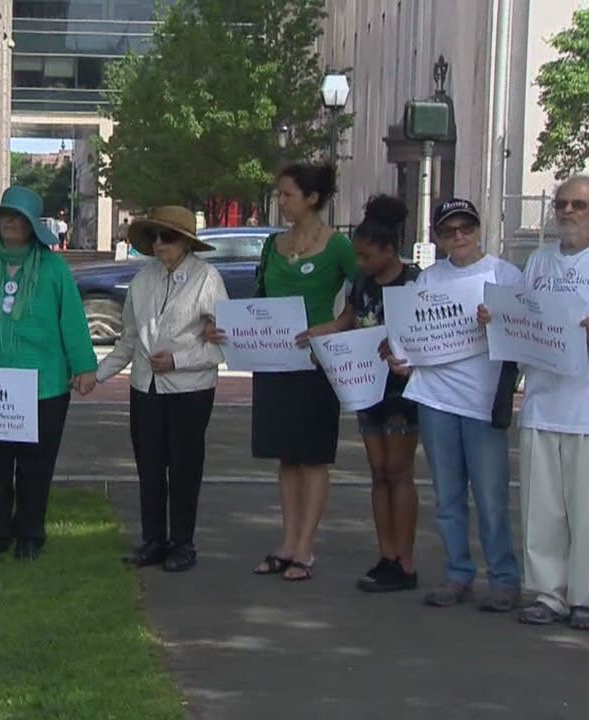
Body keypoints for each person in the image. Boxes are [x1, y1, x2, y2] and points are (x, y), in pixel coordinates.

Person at [478, 177, 589, 630]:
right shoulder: (539, 260)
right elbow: (522, 319)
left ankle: (588, 598)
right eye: (562, 204)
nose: (568, 212)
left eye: (579, 205)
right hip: (543, 403)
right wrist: (497, 319)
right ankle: (547, 594)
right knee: (542, 509)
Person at [206, 161, 357, 582]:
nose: (281, 202)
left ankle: (306, 547)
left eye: (288, 195)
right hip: (273, 363)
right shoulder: (274, 245)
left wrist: (334, 326)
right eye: (279, 194)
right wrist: (232, 329)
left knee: (312, 457)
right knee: (286, 456)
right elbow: (260, 297)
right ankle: (287, 542)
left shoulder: (338, 245)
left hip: (314, 364)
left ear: (312, 198)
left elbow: (366, 292)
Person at [0, 186, 98, 561]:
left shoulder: (55, 268)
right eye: (5, 216)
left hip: (46, 387)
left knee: (35, 467)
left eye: (19, 217)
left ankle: (30, 534)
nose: (10, 222)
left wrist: (85, 367)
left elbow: (72, 322)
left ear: (32, 226)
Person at [387, 198, 524, 611]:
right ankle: (458, 573)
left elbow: (526, 331)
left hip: (482, 399)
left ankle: (503, 578)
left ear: (479, 229)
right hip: (436, 397)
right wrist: (401, 360)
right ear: (439, 237)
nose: (459, 237)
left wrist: (498, 320)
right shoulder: (429, 278)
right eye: (449, 231)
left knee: (490, 497)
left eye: (465, 228)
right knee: (447, 496)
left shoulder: (504, 274)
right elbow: (409, 334)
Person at [97, 206, 228, 572]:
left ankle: (183, 543)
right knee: (150, 466)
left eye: (166, 237)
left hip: (191, 388)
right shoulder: (143, 280)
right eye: (153, 237)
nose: (158, 245)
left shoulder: (208, 279)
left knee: (185, 467)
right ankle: (153, 540)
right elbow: (128, 340)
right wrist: (98, 374)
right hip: (146, 387)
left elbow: (224, 342)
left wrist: (179, 359)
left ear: (186, 243)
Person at [338, 195, 422, 593]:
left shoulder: (415, 281)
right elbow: (346, 320)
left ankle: (405, 559)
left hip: (403, 389)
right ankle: (385, 553)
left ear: (390, 250)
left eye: (368, 255)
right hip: (367, 386)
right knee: (377, 471)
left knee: (398, 470)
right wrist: (311, 336)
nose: (362, 263)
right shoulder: (363, 283)